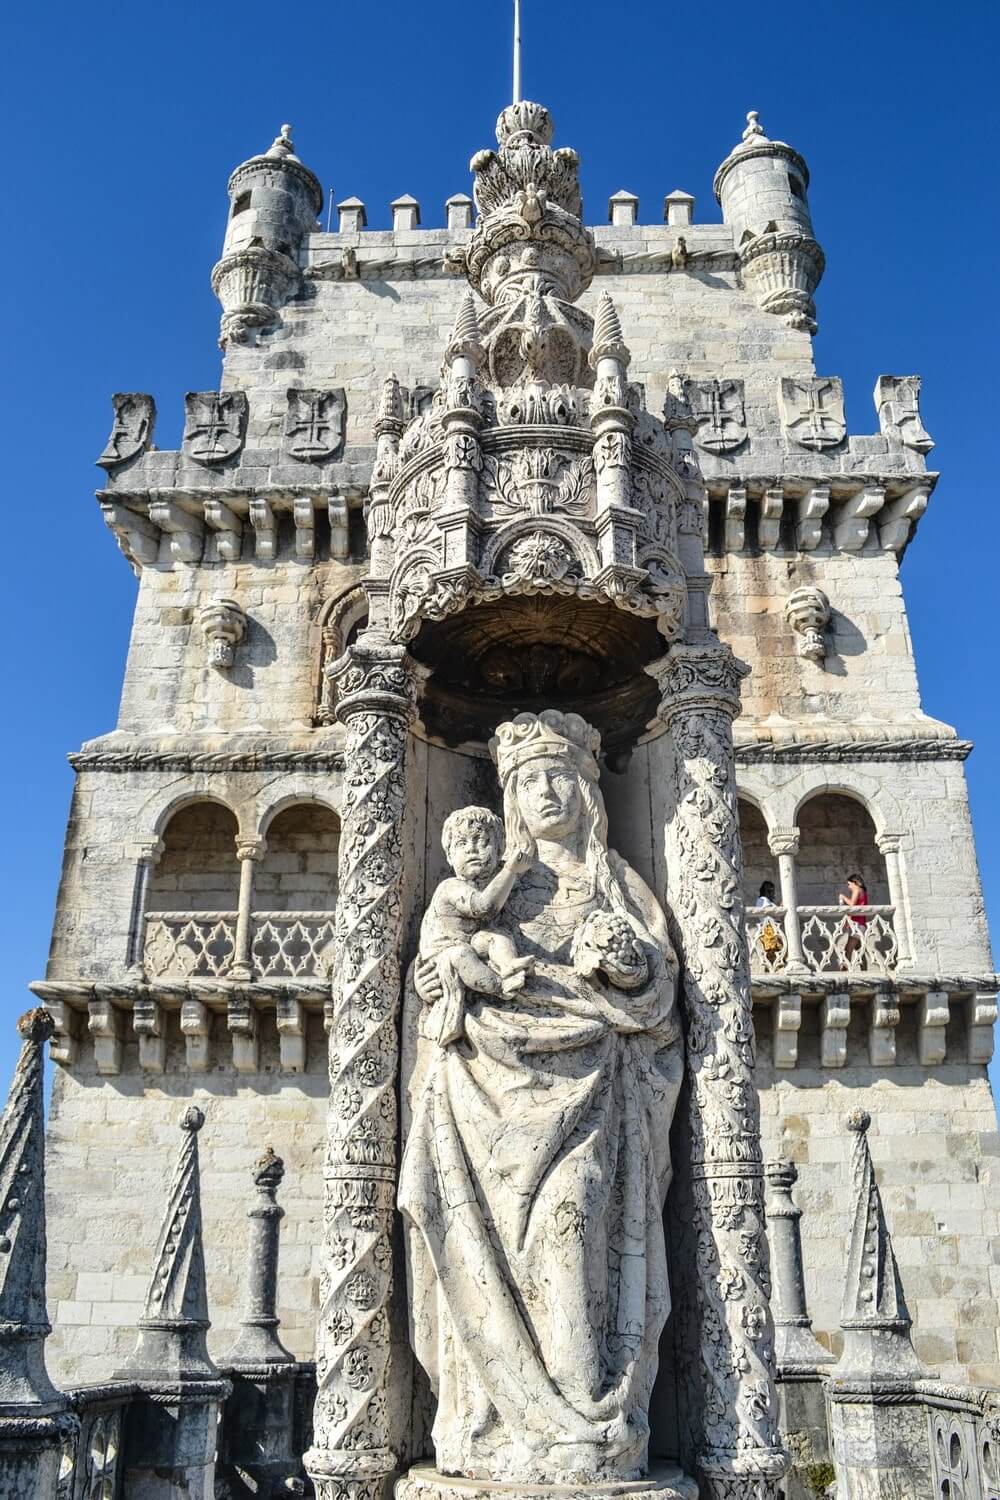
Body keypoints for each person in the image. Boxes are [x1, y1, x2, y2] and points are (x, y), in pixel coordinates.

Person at [400, 711, 682, 1485]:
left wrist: (625, 966)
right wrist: (439, 978)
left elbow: (659, 990)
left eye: (560, 775)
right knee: (486, 1244)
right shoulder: (486, 887)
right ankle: (495, 1420)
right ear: (510, 800)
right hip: (484, 1092)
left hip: (592, 1092)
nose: (546, 791)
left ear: (588, 790)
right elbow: (440, 961)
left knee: (573, 1223)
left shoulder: (614, 881)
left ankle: (584, 1414)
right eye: (529, 781)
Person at [416, 805, 534, 1046]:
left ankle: (509, 966)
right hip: (443, 954)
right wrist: (511, 870)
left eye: (482, 841)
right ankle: (500, 986)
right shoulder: (450, 887)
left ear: (499, 849)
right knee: (462, 954)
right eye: (462, 843)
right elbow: (484, 906)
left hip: (470, 944)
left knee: (495, 936)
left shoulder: (506, 885)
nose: (472, 849)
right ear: (450, 856)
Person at [838, 870, 869, 967]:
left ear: (854, 882)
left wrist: (843, 897)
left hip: (857, 925)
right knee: (860, 952)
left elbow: (852, 905)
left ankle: (845, 972)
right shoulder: (863, 891)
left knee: (847, 951)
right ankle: (864, 971)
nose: (848, 887)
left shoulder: (857, 889)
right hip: (861, 924)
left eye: (849, 884)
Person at [754, 880, 784, 965]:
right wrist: (779, 908)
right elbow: (769, 911)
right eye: (772, 890)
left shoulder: (768, 901)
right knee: (773, 950)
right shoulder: (762, 900)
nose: (773, 893)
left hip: (774, 928)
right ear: (767, 891)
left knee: (777, 951)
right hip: (769, 928)